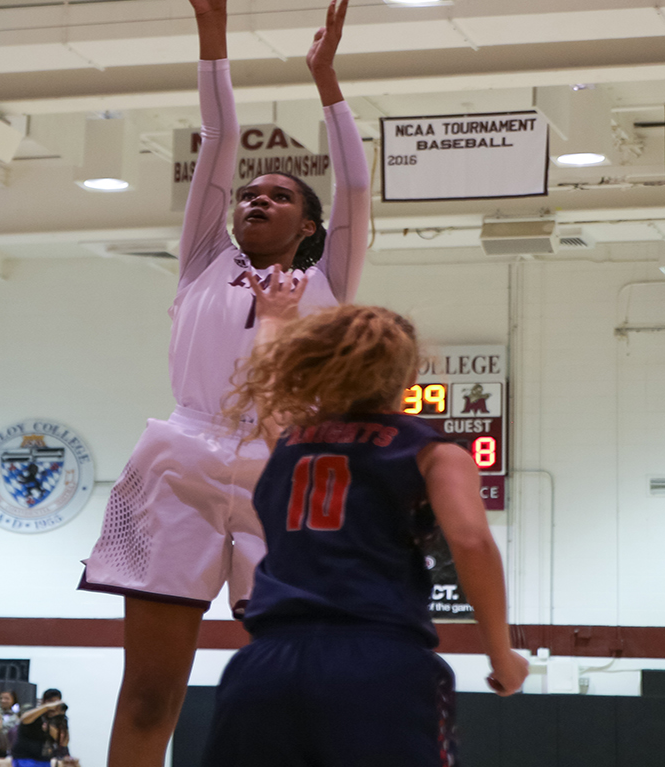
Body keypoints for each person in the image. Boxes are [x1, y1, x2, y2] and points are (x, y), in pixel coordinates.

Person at [78, 0, 371, 767]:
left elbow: (354, 187)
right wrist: (213, 25)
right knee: (150, 690)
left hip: (286, 469)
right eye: (250, 191)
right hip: (181, 456)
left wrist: (327, 85)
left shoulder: (329, 281)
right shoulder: (205, 257)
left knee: (300, 684)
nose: (256, 196)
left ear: (308, 227)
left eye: (278, 194)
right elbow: (218, 134)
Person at [198, 304, 529, 767]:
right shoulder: (434, 453)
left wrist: (274, 316)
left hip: (264, 667)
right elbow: (472, 542)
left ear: (313, 362)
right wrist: (502, 657)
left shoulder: (290, 439)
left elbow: (269, 392)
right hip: (378, 665)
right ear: (410, 373)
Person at [10, 691, 68, 767]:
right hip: (24, 757)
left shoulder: (59, 718)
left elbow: (63, 742)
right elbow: (24, 719)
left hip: (44, 758)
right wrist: (46, 707)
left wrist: (50, 727)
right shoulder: (33, 710)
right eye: (51, 702)